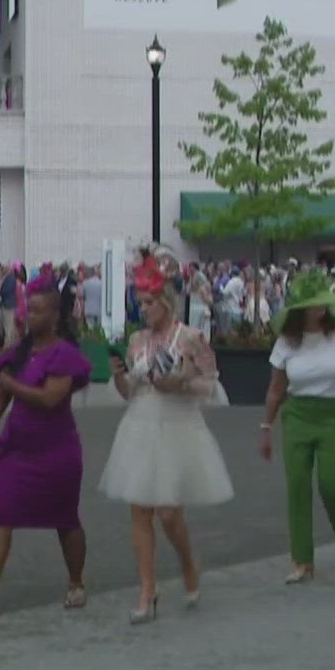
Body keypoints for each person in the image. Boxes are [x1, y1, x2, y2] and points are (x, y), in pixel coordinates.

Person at [100, 255, 232, 624]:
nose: (143, 310)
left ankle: (188, 562)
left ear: (166, 302)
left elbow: (210, 385)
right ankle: (147, 587)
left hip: (177, 425)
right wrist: (119, 375)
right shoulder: (138, 340)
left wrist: (182, 382)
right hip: (141, 424)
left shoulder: (190, 337)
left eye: (148, 303)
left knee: (169, 511)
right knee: (139, 507)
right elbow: (129, 392)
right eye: (139, 303)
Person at [0, 274, 93, 618]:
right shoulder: (18, 353)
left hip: (57, 450)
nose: (29, 317)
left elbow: (48, 399)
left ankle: (76, 582)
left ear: (55, 315)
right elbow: (0, 397)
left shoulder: (64, 354)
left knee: (65, 519)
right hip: (17, 448)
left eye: (37, 311)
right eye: (27, 310)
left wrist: (11, 384)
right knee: (0, 513)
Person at [258, 269, 335, 584]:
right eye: (313, 304)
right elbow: (275, 389)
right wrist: (266, 426)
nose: (320, 309)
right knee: (297, 485)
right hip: (298, 415)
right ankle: (302, 560)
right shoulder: (287, 341)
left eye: (323, 302)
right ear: (300, 308)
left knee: (331, 484)